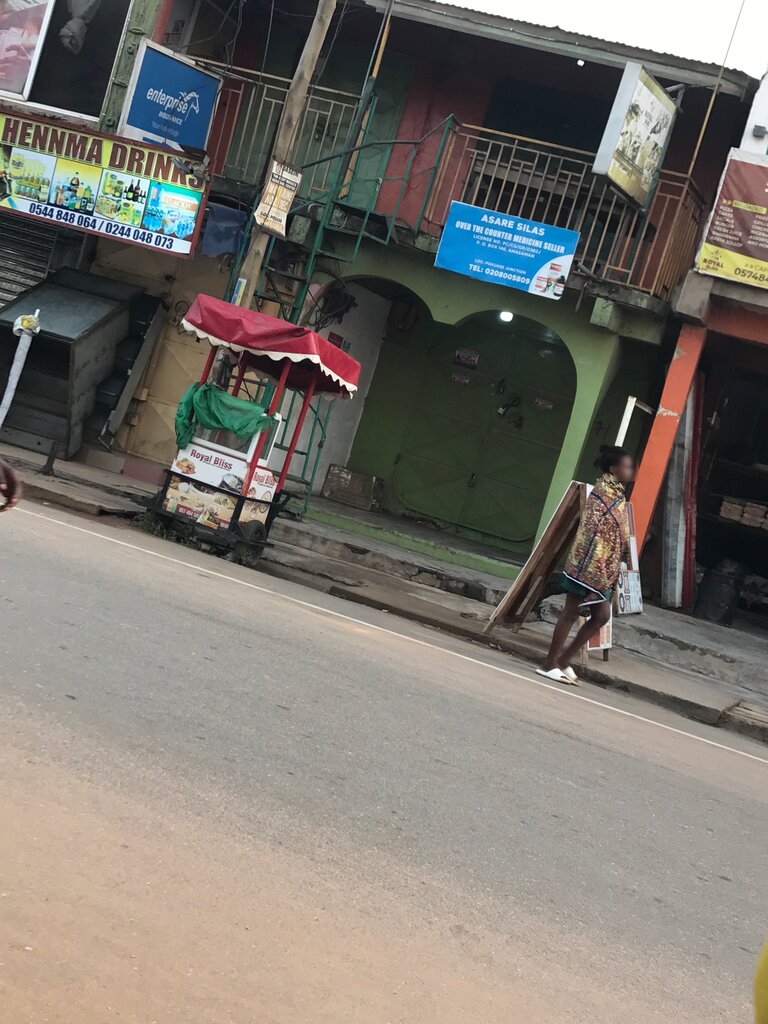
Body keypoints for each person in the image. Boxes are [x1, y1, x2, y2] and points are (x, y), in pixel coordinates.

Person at [538, 445, 634, 685]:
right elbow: (593, 533)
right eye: (627, 467)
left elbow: (617, 534)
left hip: (602, 571)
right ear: (613, 469)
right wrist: (600, 569)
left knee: (601, 615)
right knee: (570, 613)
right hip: (586, 568)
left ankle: (563, 660)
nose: (631, 471)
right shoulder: (601, 494)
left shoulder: (617, 495)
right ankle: (550, 664)